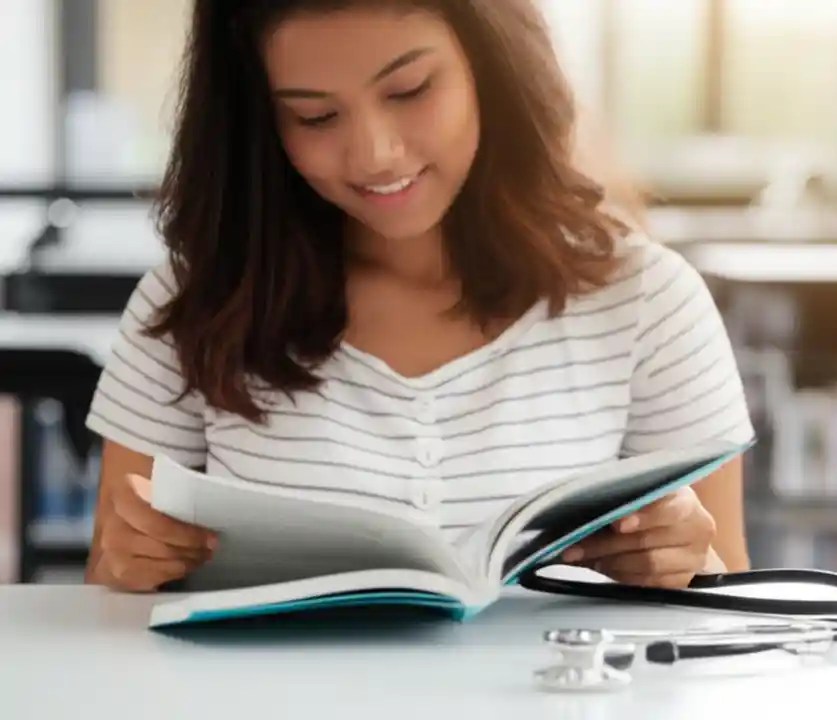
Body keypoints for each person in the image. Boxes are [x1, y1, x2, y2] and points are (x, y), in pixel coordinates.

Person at [83, 0, 755, 593]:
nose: (374, 154)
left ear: (492, 66)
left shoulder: (647, 300)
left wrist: (684, 561)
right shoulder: (193, 303)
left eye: (409, 90)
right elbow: (109, 594)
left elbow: (724, 591)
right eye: (314, 116)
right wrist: (128, 566)